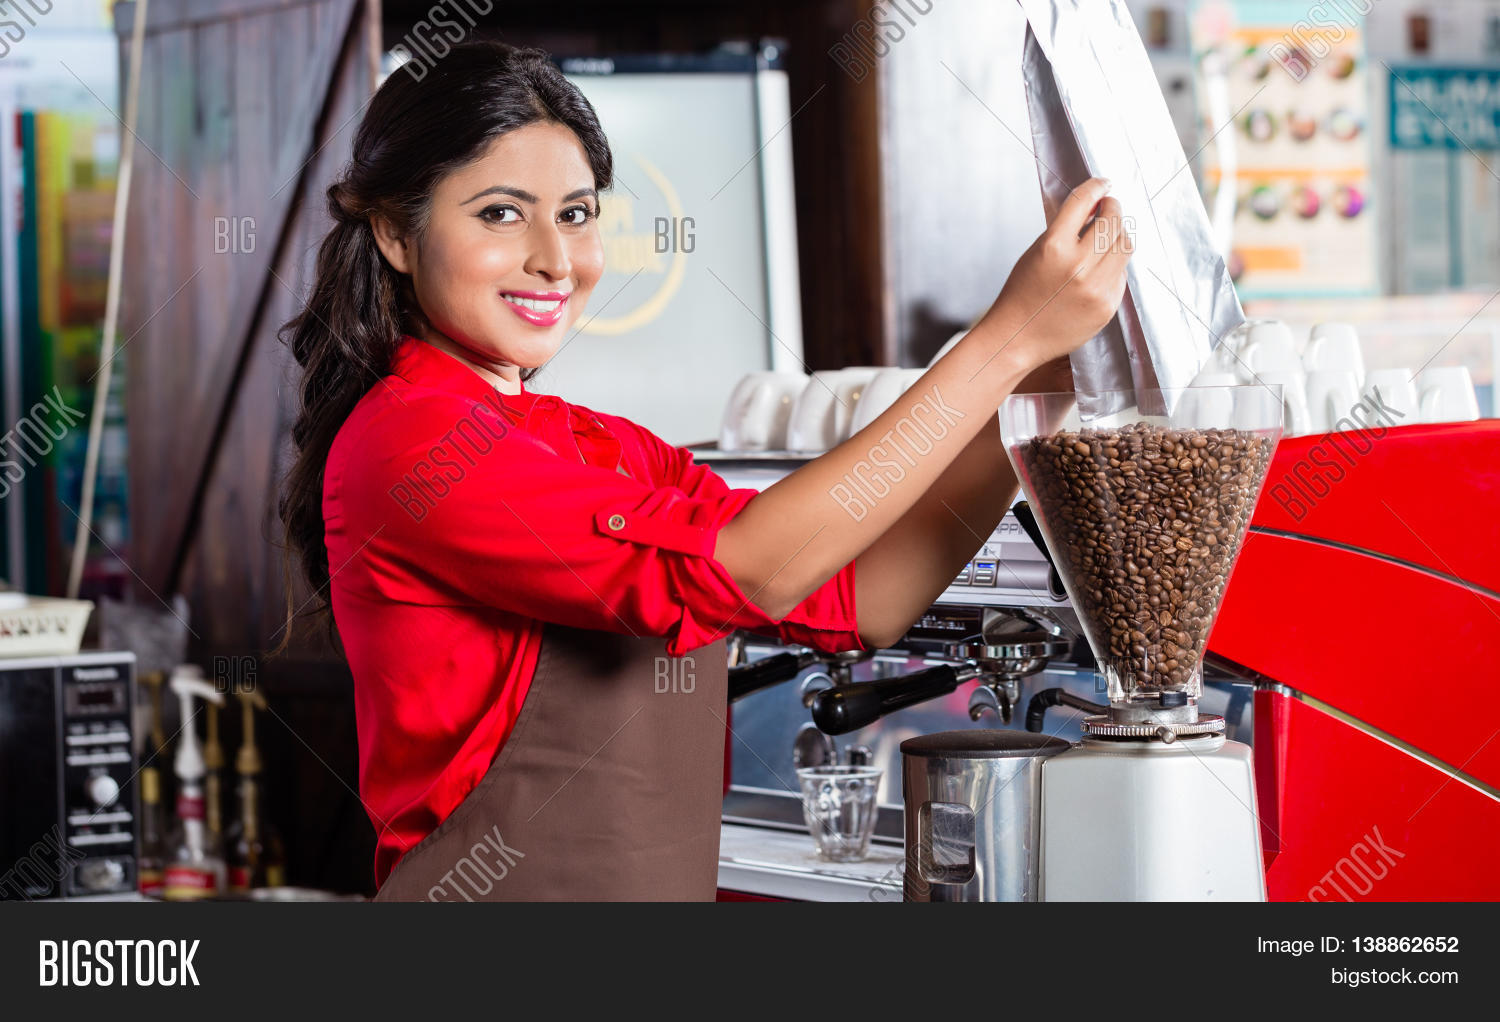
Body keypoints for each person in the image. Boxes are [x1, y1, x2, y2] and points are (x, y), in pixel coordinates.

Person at [278, 41, 1131, 901]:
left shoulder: (599, 446)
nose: (555, 258)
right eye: (500, 214)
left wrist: (1035, 381)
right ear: (394, 230)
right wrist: (1006, 339)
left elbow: (863, 600)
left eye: (576, 214)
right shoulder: (413, 444)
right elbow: (748, 568)